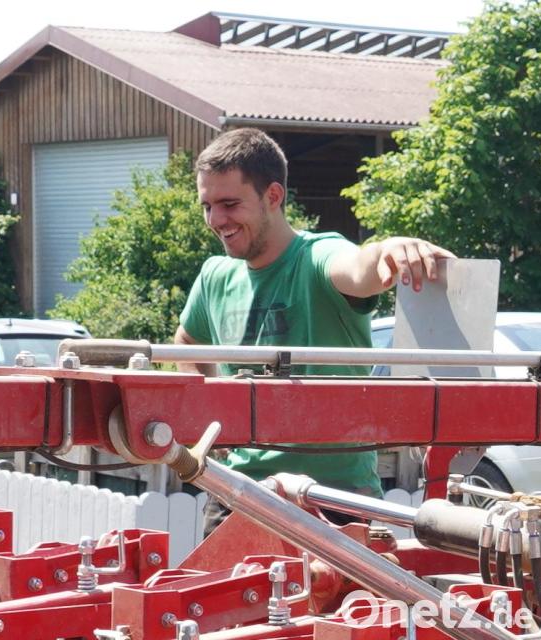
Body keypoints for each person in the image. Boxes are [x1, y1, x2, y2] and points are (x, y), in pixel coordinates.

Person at [175, 128, 454, 536]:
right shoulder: (214, 276)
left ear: (273, 196)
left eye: (230, 204)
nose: (216, 220)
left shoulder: (317, 255)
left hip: (333, 497)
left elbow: (358, 268)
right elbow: (186, 342)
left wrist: (390, 249)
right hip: (238, 492)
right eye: (207, 206)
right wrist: (207, 417)